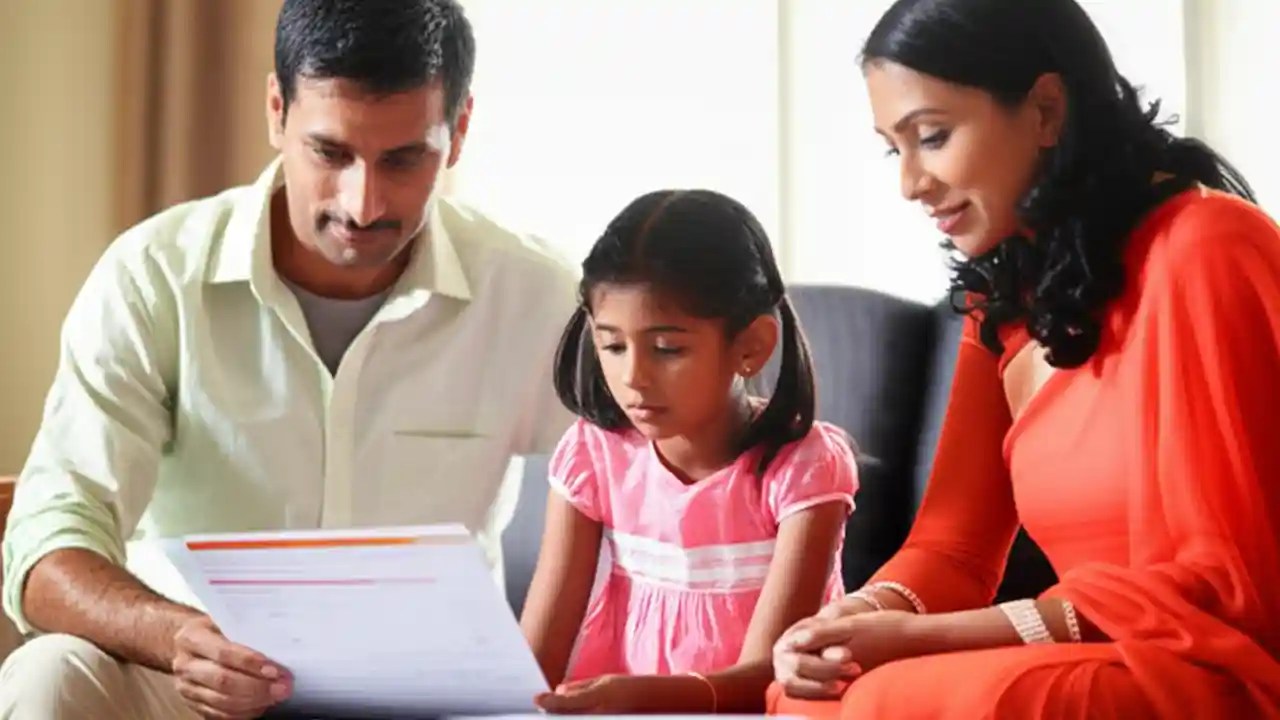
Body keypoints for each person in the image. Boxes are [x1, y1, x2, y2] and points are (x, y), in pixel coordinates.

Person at [0, 1, 578, 718]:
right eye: (330, 153)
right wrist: (178, 637)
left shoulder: (537, 296)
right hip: (195, 686)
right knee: (49, 675)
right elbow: (45, 545)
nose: (363, 205)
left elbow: (665, 479)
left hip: (428, 701)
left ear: (457, 133)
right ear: (277, 112)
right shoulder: (153, 276)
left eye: (403, 159)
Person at [769, 0, 1280, 718]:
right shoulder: (1004, 296)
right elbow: (953, 546)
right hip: (1087, 653)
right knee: (814, 692)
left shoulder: (1210, 246)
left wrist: (927, 638)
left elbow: (1228, 585)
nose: (910, 183)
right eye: (896, 148)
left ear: (1045, 109)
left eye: (933, 137)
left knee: (952, 697)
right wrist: (854, 620)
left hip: (1214, 665)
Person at [520, 189, 858, 714]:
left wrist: (644, 700)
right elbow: (534, 663)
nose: (633, 377)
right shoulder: (593, 455)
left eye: (667, 349)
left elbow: (767, 680)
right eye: (612, 345)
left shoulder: (805, 470)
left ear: (751, 346)